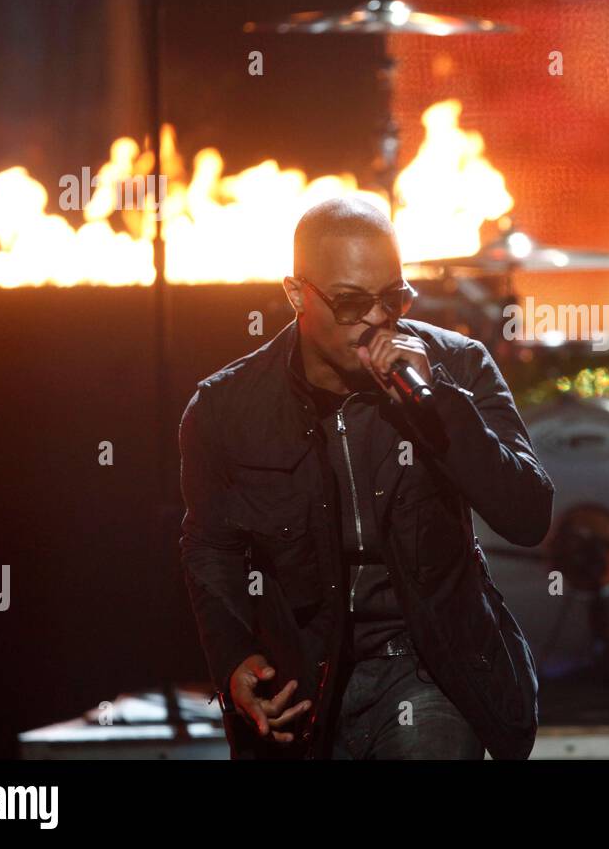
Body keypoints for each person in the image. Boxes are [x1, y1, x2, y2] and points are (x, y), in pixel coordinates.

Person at [178, 196, 554, 759]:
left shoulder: (459, 367)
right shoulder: (225, 407)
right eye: (351, 302)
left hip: (428, 668)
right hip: (305, 676)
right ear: (296, 294)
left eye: (393, 298)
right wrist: (234, 655)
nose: (378, 318)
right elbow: (211, 549)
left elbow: (527, 514)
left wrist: (440, 407)